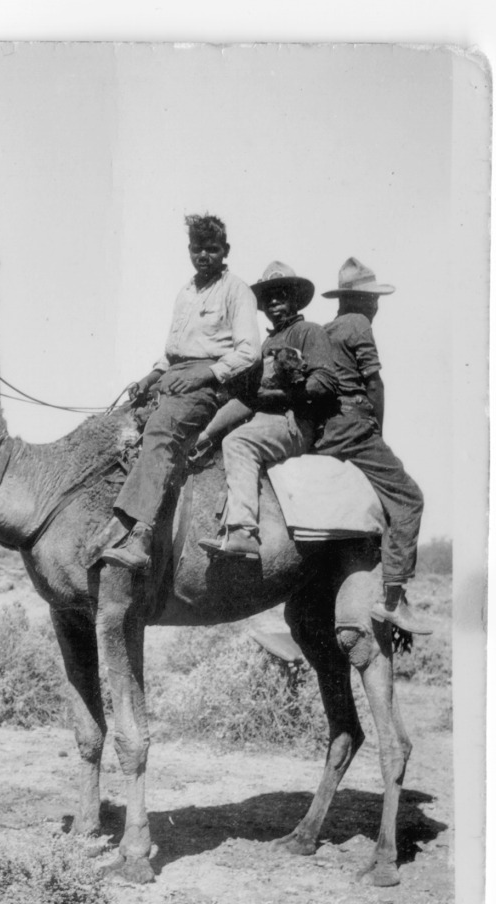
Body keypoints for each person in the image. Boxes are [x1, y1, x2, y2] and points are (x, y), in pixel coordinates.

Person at [101, 213, 261, 572]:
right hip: (175, 374)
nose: (203, 255)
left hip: (213, 383)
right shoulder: (185, 292)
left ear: (225, 251)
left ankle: (142, 534)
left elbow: (250, 351)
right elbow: (172, 351)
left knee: (161, 430)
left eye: (211, 248)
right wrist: (148, 379)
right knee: (120, 424)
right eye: (196, 248)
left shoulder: (237, 290)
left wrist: (204, 375)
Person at [315, 257, 431, 635]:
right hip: (355, 427)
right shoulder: (359, 324)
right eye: (372, 299)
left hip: (325, 433)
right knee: (410, 498)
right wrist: (375, 432)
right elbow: (374, 384)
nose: (376, 306)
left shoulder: (324, 329)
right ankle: (394, 600)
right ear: (361, 300)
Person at [198, 262, 338, 559]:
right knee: (221, 440)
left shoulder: (309, 332)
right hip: (265, 421)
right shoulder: (263, 346)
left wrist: (274, 396)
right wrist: (206, 433)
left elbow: (324, 384)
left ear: (295, 298)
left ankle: (243, 532)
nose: (275, 301)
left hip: (294, 423)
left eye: (282, 294)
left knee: (237, 442)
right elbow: (248, 398)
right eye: (269, 297)